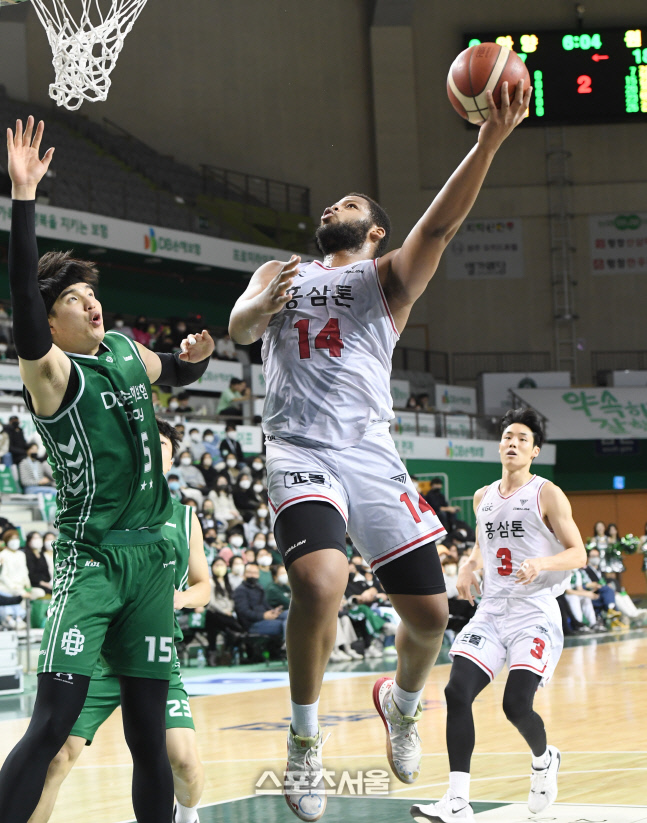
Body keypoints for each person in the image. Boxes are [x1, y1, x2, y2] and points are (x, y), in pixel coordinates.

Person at [229, 71, 531, 821]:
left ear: (374, 233)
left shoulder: (387, 278)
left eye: (351, 204)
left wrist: (488, 140)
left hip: (369, 454)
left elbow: (439, 227)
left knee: (429, 617)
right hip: (298, 446)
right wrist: (260, 306)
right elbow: (238, 328)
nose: (333, 205)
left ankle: (400, 701)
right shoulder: (280, 271)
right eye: (331, 202)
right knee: (320, 582)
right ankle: (305, 741)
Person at [0, 117, 214, 823]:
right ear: (50, 321)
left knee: (152, 742)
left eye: (89, 293)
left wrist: (195, 359)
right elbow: (23, 307)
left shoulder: (124, 350)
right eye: (71, 299)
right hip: (91, 561)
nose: (89, 302)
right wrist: (24, 197)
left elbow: (174, 372)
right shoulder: (53, 375)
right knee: (51, 728)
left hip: (151, 564)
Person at [29, 418, 211, 823]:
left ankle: (187, 815)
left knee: (184, 762)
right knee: (57, 758)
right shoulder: (101, 504)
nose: (152, 450)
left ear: (172, 459)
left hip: (153, 651)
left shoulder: (185, 518)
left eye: (162, 444)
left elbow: (204, 586)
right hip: (95, 654)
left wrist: (177, 598)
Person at [410, 408, 586, 823]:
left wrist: (542, 564)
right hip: (491, 611)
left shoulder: (547, 494)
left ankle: (544, 760)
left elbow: (578, 553)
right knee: (456, 693)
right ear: (499, 444)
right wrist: (468, 567)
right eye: (508, 436)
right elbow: (480, 548)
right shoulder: (482, 496)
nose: (513, 443)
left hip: (533, 612)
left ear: (535, 451)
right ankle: (457, 801)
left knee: (516, 705)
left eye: (523, 439)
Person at [205, 556, 244, 666]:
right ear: (212, 567)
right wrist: (223, 611)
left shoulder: (228, 582)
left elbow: (231, 599)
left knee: (233, 629)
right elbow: (211, 602)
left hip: (227, 613)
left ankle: (228, 651)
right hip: (215, 613)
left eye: (222, 565)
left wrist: (229, 609)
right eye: (217, 565)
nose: (219, 567)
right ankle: (213, 653)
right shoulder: (210, 582)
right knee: (214, 622)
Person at [233, 562, 287, 638]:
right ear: (244, 574)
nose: (253, 575)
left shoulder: (258, 587)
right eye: (250, 572)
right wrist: (263, 616)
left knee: (289, 614)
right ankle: (287, 644)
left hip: (266, 618)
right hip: (253, 624)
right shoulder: (240, 590)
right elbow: (243, 612)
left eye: (255, 573)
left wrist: (273, 611)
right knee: (287, 624)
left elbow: (265, 605)